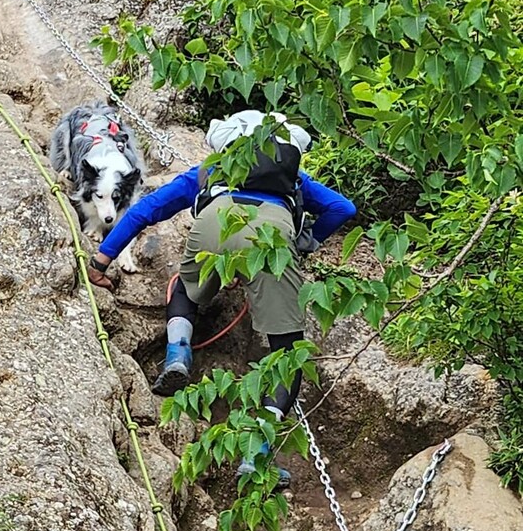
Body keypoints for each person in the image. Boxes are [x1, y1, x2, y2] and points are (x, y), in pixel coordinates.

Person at [86, 109, 356, 486]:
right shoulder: (293, 181)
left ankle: (178, 355)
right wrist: (305, 241)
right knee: (288, 353)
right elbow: (343, 208)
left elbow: (145, 211)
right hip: (272, 235)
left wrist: (101, 260)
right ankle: (256, 456)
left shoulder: (207, 172)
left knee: (185, 289)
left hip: (213, 223)